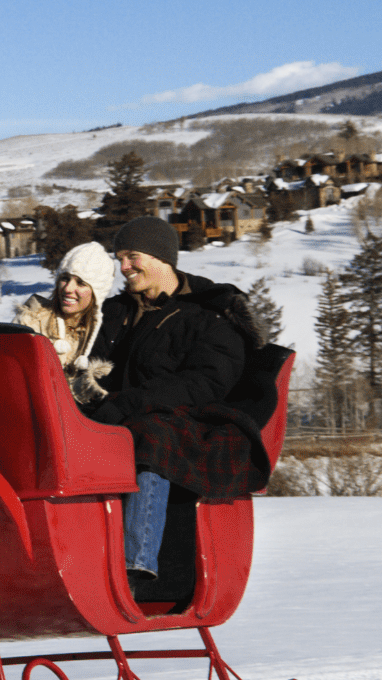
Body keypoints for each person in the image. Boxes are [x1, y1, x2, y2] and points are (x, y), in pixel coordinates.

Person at [80, 215, 272, 600]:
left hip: (191, 423)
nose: (124, 267)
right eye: (119, 258)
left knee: (152, 436)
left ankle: (136, 563)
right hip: (117, 414)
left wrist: (128, 403)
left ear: (162, 257)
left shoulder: (211, 315)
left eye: (132, 256)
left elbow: (207, 382)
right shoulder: (115, 313)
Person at [15, 240, 118, 403]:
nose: (68, 288)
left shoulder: (105, 332)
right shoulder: (31, 322)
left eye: (81, 283)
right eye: (65, 278)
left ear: (97, 292)